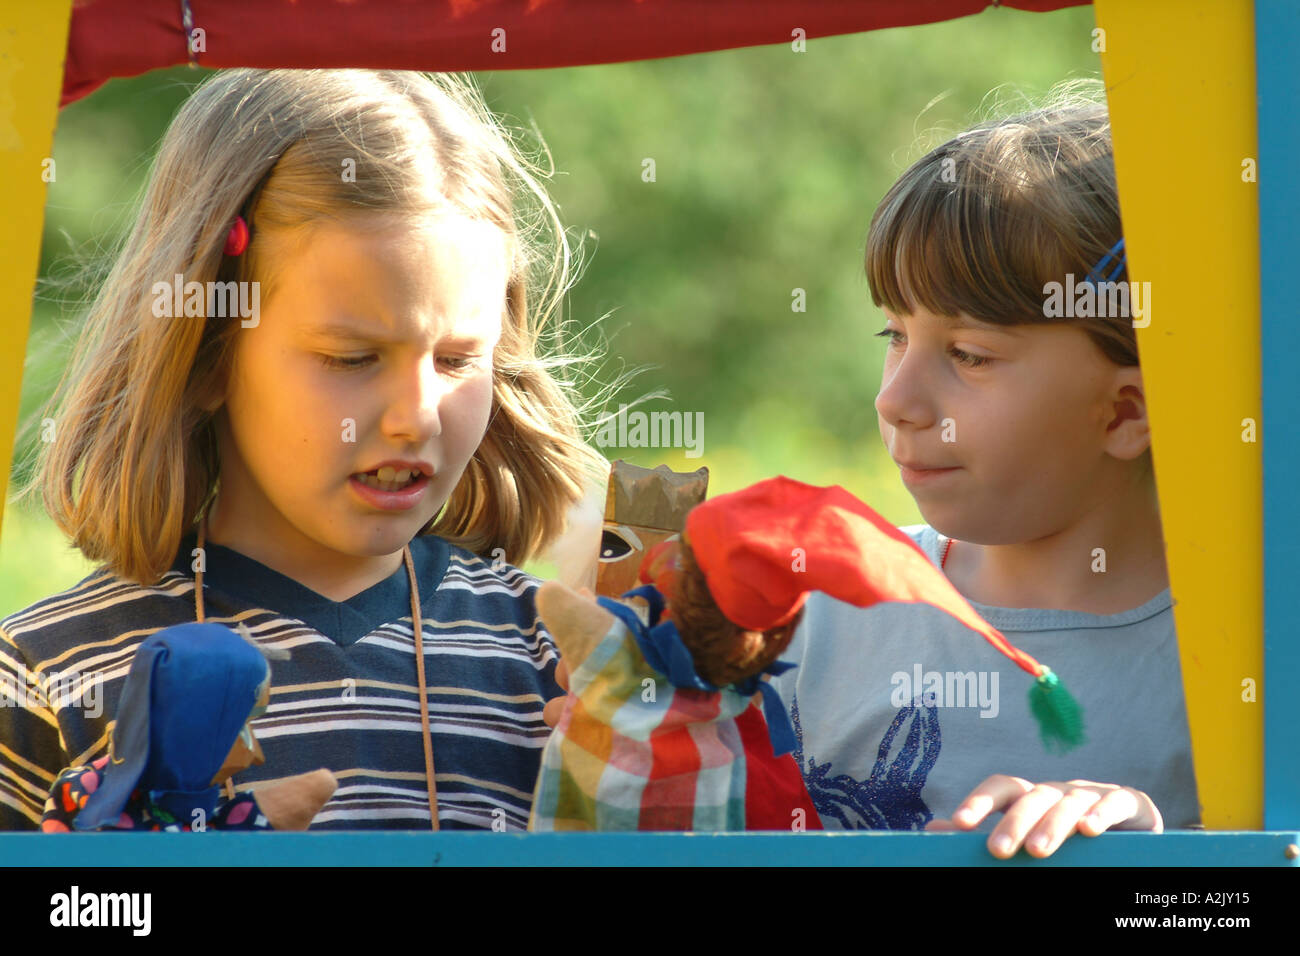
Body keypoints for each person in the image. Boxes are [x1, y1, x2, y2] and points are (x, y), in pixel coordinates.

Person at [0, 68, 604, 831]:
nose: (417, 417)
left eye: (457, 360)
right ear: (210, 352)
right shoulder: (44, 673)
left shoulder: (560, 666)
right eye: (352, 359)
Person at [772, 92, 1199, 857]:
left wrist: (1156, 862)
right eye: (894, 334)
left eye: (969, 354)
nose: (894, 399)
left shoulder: (1246, 678)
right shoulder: (804, 615)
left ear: (1127, 411)